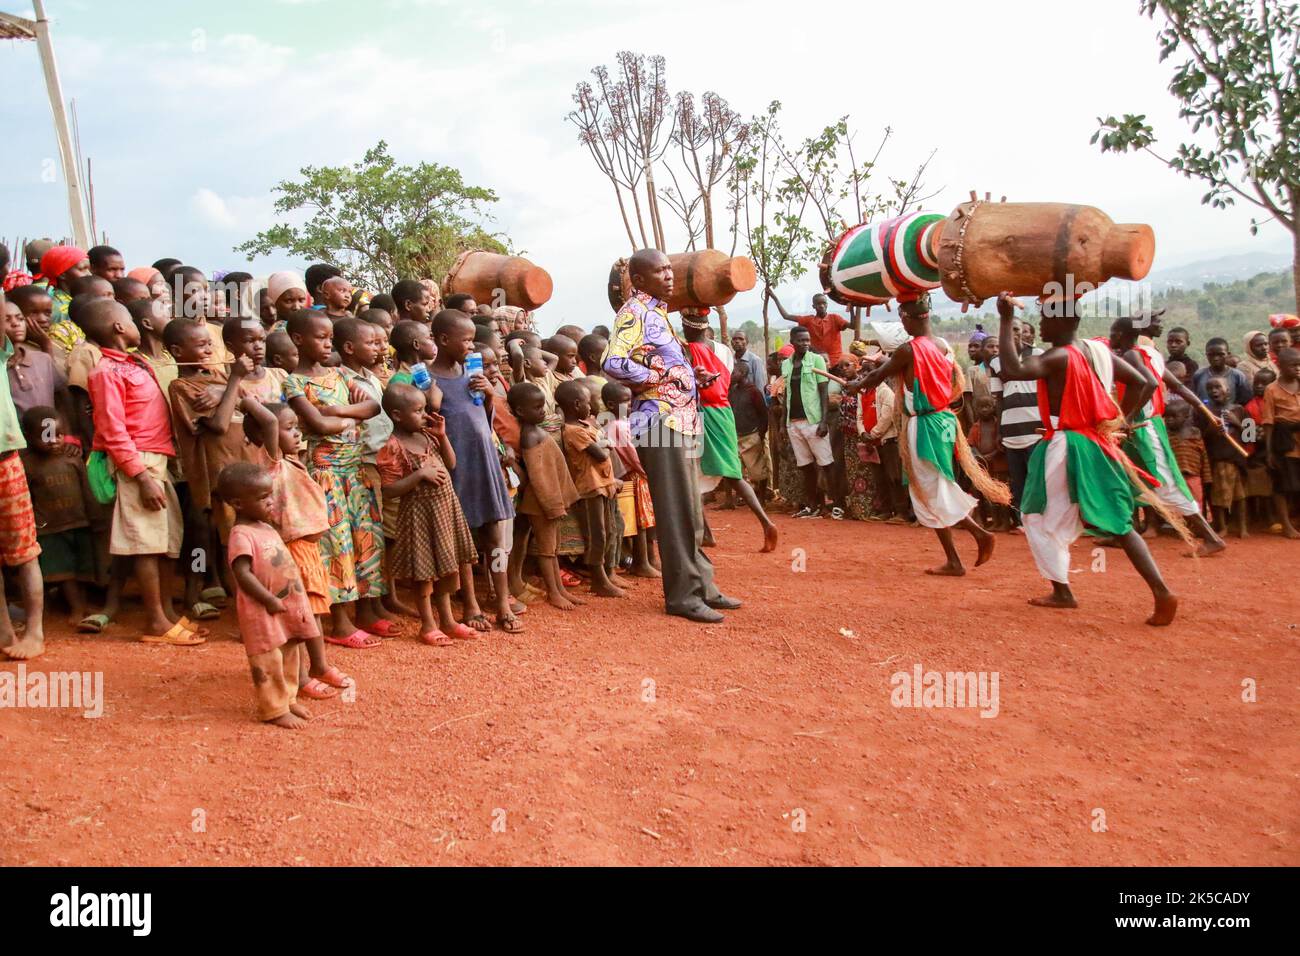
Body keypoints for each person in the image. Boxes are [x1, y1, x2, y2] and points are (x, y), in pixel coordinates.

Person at [994, 294, 1177, 625]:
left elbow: (1011, 368)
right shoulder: (1098, 352)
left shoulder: (1058, 356)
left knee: (1033, 515)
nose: (1041, 324)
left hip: (1066, 446)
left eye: (1046, 318)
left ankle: (1062, 591)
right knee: (1119, 521)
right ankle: (1160, 591)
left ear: (1065, 322)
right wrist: (1118, 421)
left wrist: (1006, 319)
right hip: (1096, 442)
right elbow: (1140, 383)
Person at [603, 248, 738, 623]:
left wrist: (691, 377)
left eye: (669, 269)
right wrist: (659, 379)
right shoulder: (634, 312)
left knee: (691, 509)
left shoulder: (659, 313)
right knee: (676, 510)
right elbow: (612, 362)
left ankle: (704, 586)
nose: (669, 275)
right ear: (640, 280)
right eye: (660, 271)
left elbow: (656, 359)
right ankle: (682, 595)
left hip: (681, 418)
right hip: (659, 422)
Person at [846, 295, 1003, 576]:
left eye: (902, 317)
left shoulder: (909, 349)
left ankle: (979, 534)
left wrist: (857, 384)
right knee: (930, 489)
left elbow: (877, 376)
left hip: (926, 424)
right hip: (941, 420)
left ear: (908, 318)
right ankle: (953, 559)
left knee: (934, 489)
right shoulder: (941, 345)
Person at [83, 298, 203, 645]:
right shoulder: (105, 372)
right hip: (140, 463)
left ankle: (167, 614)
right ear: (119, 327)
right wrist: (139, 475)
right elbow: (111, 430)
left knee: (166, 543)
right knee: (146, 545)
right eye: (132, 320)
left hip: (157, 461)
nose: (139, 324)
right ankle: (155, 621)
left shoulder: (134, 364)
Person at [283, 310, 387, 647]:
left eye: (330, 337)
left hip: (354, 471)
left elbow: (372, 408)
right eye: (320, 337)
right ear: (299, 339)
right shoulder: (293, 383)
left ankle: (367, 612)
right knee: (336, 545)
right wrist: (344, 419)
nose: (328, 343)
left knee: (365, 541)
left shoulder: (339, 374)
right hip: (325, 475)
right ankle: (340, 624)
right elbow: (318, 426)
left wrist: (337, 411)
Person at [239, 399, 351, 701]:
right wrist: (245, 398)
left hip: (308, 549)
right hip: (290, 550)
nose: (297, 433)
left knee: (313, 613)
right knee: (299, 617)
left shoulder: (289, 460)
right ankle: (301, 677)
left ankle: (319, 666)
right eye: (290, 429)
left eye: (297, 427)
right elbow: (271, 423)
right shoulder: (270, 461)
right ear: (267, 437)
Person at [428, 309, 521, 633]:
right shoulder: (427, 379)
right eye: (465, 340)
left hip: (484, 462)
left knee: (495, 535)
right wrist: (432, 401)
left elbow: (484, 416)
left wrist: (490, 394)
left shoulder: (472, 372)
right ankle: (470, 604)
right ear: (442, 340)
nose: (471, 346)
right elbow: (429, 420)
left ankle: (502, 601)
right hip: (457, 466)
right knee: (464, 539)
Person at [1109, 316, 1226, 555]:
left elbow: (1150, 383)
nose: (1110, 337)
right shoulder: (1151, 354)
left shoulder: (1132, 355)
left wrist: (1128, 418)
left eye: (1112, 332)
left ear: (1120, 334)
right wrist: (1206, 411)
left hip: (1142, 427)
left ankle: (1210, 537)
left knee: (1165, 482)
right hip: (1144, 426)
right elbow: (1179, 387)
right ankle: (1119, 532)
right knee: (1121, 475)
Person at [377, 383, 480, 644]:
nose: (425, 415)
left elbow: (452, 463)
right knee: (424, 574)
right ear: (397, 415)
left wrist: (443, 436)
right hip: (418, 516)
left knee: (446, 567)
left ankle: (448, 621)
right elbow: (389, 490)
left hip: (445, 510)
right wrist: (419, 474)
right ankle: (428, 625)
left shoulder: (429, 436)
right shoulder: (392, 446)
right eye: (419, 410)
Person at [218, 462, 318, 730]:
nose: (271, 501)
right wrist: (269, 599)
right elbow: (242, 574)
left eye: (271, 494)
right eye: (263, 498)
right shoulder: (241, 535)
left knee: (289, 653)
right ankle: (273, 709)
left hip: (284, 606)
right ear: (238, 504)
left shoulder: (266, 527)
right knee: (268, 659)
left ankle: (288, 698)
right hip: (262, 609)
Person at [681, 307, 778, 551]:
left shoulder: (689, 351)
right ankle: (755, 525)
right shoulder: (723, 350)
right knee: (728, 472)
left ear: (688, 327)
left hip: (703, 413)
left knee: (694, 473)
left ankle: (712, 533)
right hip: (725, 412)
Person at [509, 381, 584, 609]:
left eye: (543, 406)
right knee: (547, 549)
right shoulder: (530, 436)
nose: (543, 411)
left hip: (548, 500)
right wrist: (552, 506)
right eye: (537, 407)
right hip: (542, 502)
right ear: (521, 411)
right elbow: (539, 477)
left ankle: (559, 590)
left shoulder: (535, 431)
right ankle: (554, 592)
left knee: (552, 548)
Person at [557, 379, 624, 598]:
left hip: (603, 484)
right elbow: (602, 453)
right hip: (590, 487)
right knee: (597, 534)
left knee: (609, 528)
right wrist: (605, 441)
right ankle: (598, 578)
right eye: (588, 402)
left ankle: (607, 573)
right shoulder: (572, 431)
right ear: (577, 404)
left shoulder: (585, 425)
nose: (591, 406)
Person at [988, 315, 1043, 527]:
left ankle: (1039, 518)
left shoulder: (1039, 355)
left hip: (1036, 427)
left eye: (1017, 330)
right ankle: (1022, 520)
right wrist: (999, 430)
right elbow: (999, 399)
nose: (1014, 334)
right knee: (1017, 478)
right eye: (1009, 330)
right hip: (1011, 430)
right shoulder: (995, 362)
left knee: (1036, 476)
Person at [781, 326, 838, 518]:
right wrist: (784, 424)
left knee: (827, 464)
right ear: (792, 341)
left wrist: (823, 422)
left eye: (807, 340)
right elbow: (787, 395)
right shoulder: (786, 365)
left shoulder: (817, 360)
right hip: (794, 423)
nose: (805, 343)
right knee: (805, 466)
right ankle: (814, 506)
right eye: (801, 340)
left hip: (813, 421)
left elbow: (823, 393)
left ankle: (837, 505)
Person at [1259, 347, 1300, 538]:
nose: (1298, 368)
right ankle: (1286, 525)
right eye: (1293, 365)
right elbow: (1268, 421)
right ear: (1281, 366)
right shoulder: (1272, 389)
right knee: (1283, 484)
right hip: (1285, 441)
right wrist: (1269, 451)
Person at [4, 295, 66, 420]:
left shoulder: (43, 358)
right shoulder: (3, 365)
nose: (16, 324)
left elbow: (62, 398)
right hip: (14, 437)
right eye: (6, 320)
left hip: (47, 432)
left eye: (20, 318)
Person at [1202, 376, 1248, 537]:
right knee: (1217, 496)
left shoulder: (1240, 410)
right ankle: (1222, 527)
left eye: (1218, 387)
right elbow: (1201, 436)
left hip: (1236, 460)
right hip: (1216, 459)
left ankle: (1242, 527)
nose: (1214, 391)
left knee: (1239, 496)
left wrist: (1237, 423)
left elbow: (1252, 436)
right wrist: (1212, 429)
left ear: (1228, 390)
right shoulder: (1205, 411)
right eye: (1210, 388)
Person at [767, 290, 849, 366]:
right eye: (818, 304)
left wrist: (851, 307)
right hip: (816, 362)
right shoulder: (809, 320)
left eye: (824, 303)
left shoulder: (835, 318)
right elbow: (786, 316)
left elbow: (852, 325)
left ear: (827, 304)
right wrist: (775, 299)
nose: (821, 306)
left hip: (836, 362)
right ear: (814, 306)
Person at [728, 359, 770, 504]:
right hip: (736, 434)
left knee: (757, 470)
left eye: (734, 372)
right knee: (737, 469)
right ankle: (744, 497)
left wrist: (761, 433)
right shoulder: (733, 390)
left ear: (743, 373)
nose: (731, 375)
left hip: (751, 434)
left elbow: (763, 414)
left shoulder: (753, 392)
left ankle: (762, 498)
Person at [1164, 398, 1210, 513]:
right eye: (1167, 417)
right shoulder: (1166, 436)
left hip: (1193, 477)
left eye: (1174, 417)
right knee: (1177, 504)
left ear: (1185, 417)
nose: (1169, 420)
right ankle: (1180, 528)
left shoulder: (1195, 435)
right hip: (1174, 478)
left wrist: (1207, 477)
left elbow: (1203, 457)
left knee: (1196, 503)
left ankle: (1199, 527)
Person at [1192, 337, 1252, 406]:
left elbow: (1245, 400)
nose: (1216, 358)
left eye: (1221, 354)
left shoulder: (1237, 375)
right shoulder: (1199, 375)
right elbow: (1195, 398)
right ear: (1206, 355)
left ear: (1228, 354)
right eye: (1211, 355)